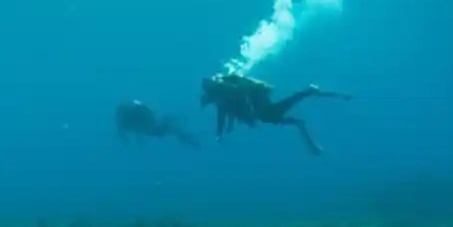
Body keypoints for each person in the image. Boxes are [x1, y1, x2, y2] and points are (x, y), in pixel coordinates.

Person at [200, 72, 351, 155]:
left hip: (262, 109)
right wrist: (221, 132)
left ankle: (312, 91)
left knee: (288, 105)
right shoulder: (222, 99)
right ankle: (308, 100)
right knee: (278, 116)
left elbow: (240, 99)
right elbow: (223, 113)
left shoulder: (229, 91)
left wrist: (225, 129)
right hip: (263, 113)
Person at [115, 100, 201, 148]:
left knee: (168, 128)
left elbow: (125, 133)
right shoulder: (126, 117)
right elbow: (145, 109)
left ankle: (188, 137)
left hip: (151, 127)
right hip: (151, 127)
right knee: (168, 128)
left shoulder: (127, 117)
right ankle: (188, 137)